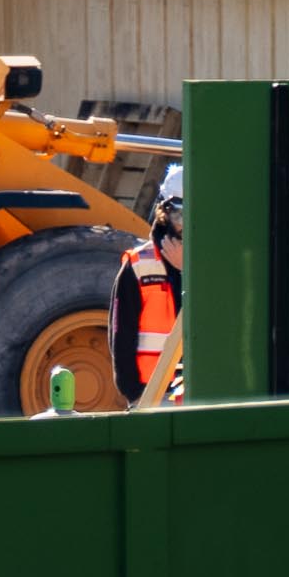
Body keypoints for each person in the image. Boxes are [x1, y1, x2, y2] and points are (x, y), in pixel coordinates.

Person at [109, 164, 185, 407]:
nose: (185, 223)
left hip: (200, 395)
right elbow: (121, 336)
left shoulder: (211, 263)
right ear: (164, 211)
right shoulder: (139, 265)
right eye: (179, 214)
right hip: (151, 395)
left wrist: (185, 272)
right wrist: (136, 394)